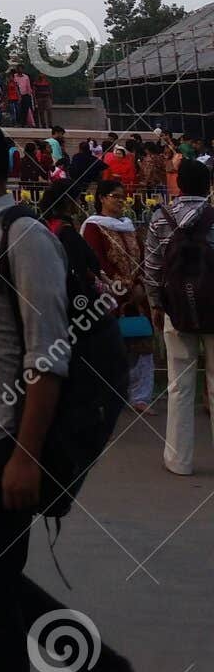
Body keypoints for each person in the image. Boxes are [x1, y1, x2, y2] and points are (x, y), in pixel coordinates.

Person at [0, 110, 130, 672]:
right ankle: (100, 667)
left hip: (1, 439)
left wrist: (26, 455)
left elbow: (48, 355)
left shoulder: (25, 237)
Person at [145, 158, 214, 476]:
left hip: (177, 308)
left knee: (179, 385)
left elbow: (152, 268)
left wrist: (156, 304)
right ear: (208, 185)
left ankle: (178, 460)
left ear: (179, 185)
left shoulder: (161, 218)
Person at [81, 180, 153, 413]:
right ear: (102, 198)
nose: (121, 201)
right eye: (115, 196)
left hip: (135, 295)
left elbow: (142, 257)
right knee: (111, 347)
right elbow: (96, 260)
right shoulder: (93, 227)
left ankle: (140, 397)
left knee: (140, 346)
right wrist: (117, 285)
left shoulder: (128, 226)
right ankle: (110, 396)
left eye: (123, 196)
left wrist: (139, 284)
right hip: (109, 295)